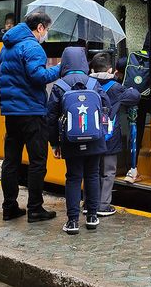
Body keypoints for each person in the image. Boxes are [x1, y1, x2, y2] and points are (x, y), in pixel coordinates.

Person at [0, 11, 60, 222]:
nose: (46, 34)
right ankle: (35, 208)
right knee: (37, 161)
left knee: (11, 161)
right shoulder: (33, 47)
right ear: (40, 28)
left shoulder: (7, 47)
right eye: (47, 30)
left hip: (12, 112)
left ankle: (9, 207)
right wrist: (60, 69)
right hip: (32, 112)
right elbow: (38, 77)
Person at [47, 47, 110, 235]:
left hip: (70, 140)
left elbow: (50, 118)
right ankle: (92, 217)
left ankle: (73, 221)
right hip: (95, 141)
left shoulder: (60, 86)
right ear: (84, 62)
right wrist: (103, 132)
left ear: (65, 63)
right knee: (92, 175)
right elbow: (106, 108)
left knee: (73, 178)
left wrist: (55, 143)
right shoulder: (93, 83)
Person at [89, 53, 140, 217]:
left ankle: (90, 204)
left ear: (92, 69)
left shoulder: (87, 84)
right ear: (111, 70)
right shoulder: (116, 87)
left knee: (92, 171)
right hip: (109, 137)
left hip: (91, 136)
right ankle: (103, 206)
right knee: (108, 171)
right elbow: (135, 97)